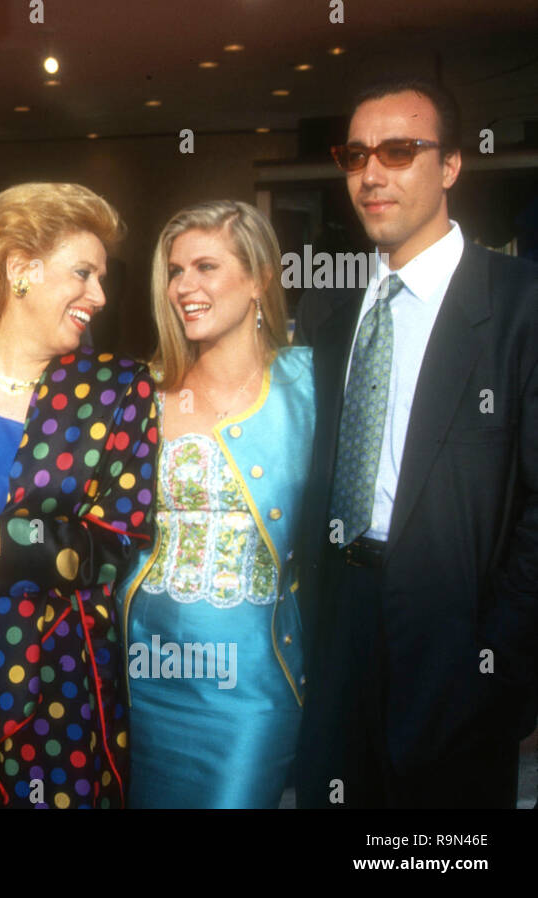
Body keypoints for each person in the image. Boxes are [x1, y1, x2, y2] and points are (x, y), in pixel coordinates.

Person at [294, 78, 538, 809]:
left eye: (400, 151)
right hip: (339, 619)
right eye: (356, 154)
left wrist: (495, 650)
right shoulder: (330, 313)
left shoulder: (520, 303)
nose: (372, 174)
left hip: (458, 629)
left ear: (453, 165)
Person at [0, 183, 159, 809]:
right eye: (82, 273)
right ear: (21, 269)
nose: (99, 297)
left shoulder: (116, 389)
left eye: (102, 278)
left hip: (60, 693)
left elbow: (117, 544)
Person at [118, 200, 313, 808]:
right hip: (146, 670)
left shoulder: (311, 383)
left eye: (206, 267)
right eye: (176, 271)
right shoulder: (140, 391)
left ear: (259, 278)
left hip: (255, 680)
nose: (185, 287)